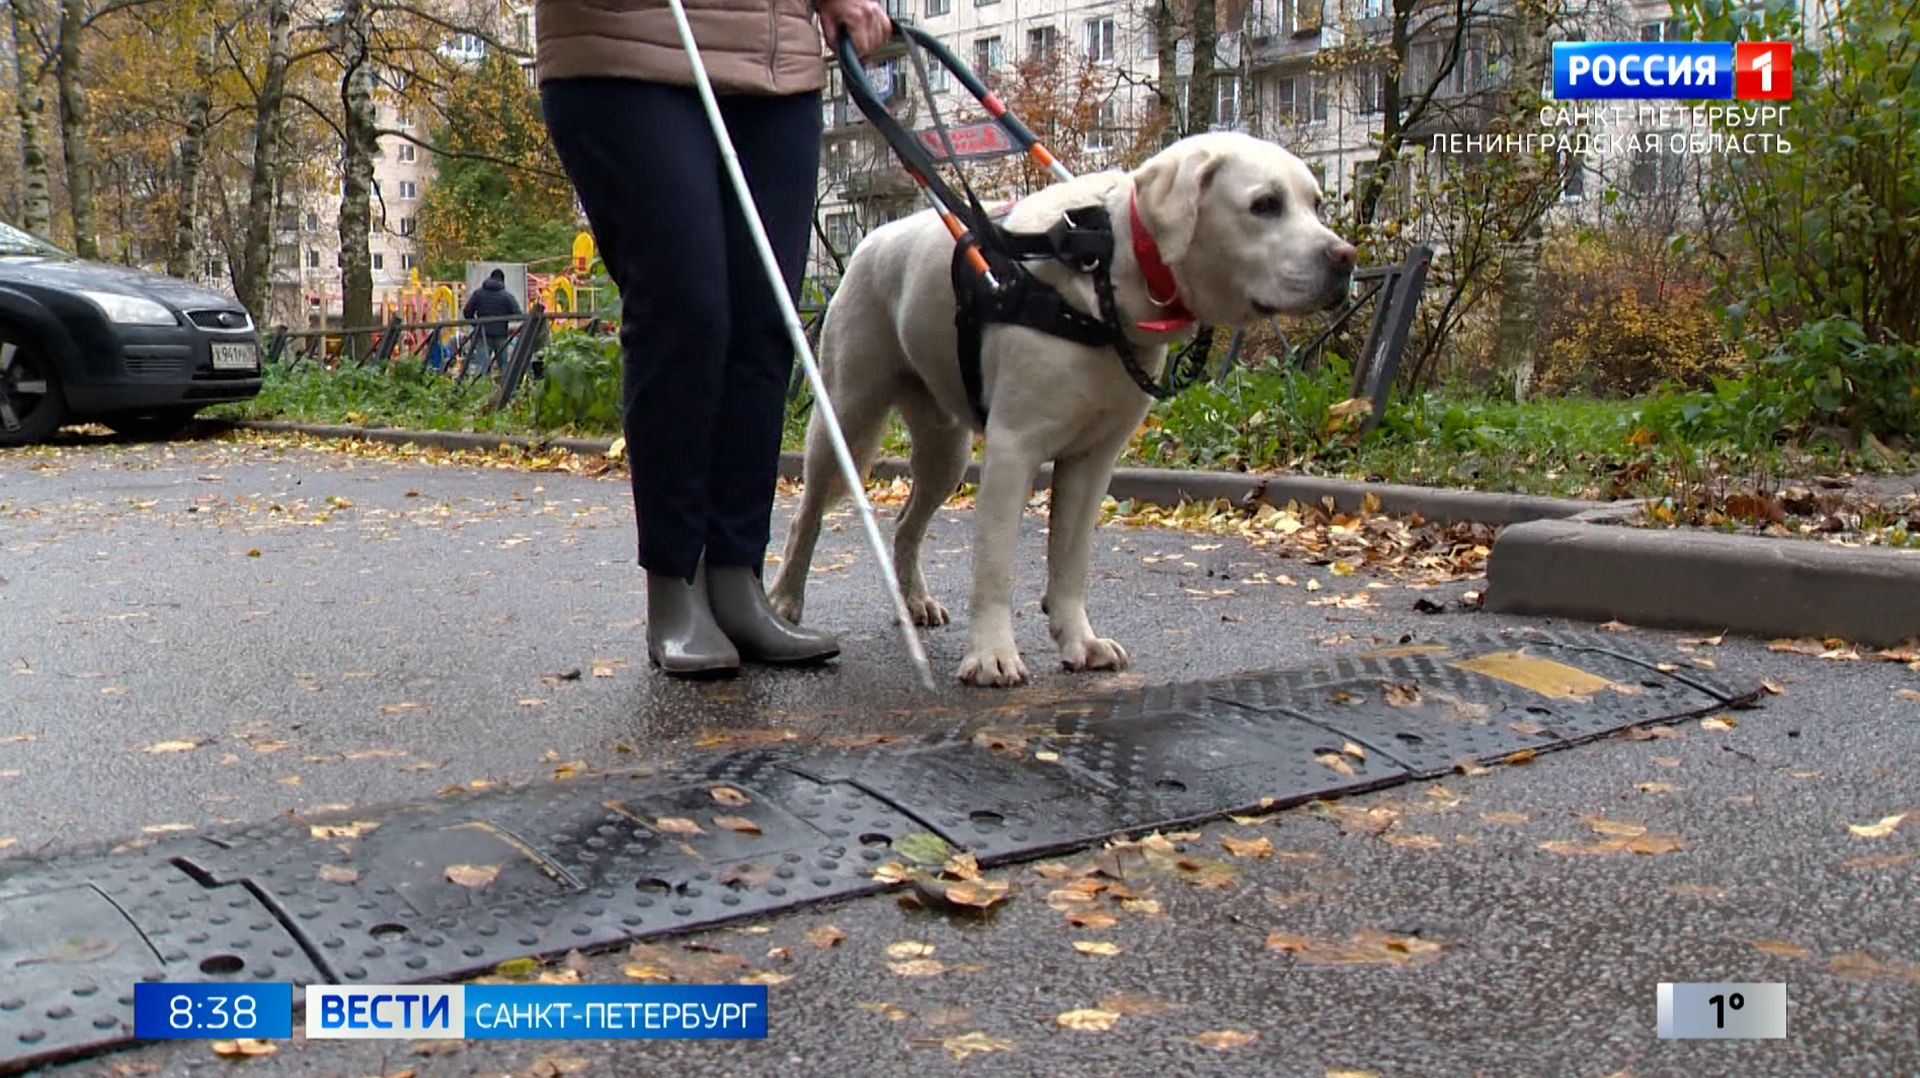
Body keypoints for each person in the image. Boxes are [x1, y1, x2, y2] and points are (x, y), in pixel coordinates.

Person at [535, 0, 891, 678]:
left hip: (775, 59)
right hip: (627, 42)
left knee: (764, 317)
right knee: (686, 309)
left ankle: (736, 576)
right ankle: (674, 583)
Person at [462, 268, 522, 374]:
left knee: (482, 367)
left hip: (482, 334)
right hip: (501, 335)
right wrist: (506, 319)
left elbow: (467, 312)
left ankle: (481, 388)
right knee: (504, 367)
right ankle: (505, 389)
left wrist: (476, 325)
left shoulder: (478, 294)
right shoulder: (506, 296)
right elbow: (518, 314)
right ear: (502, 281)